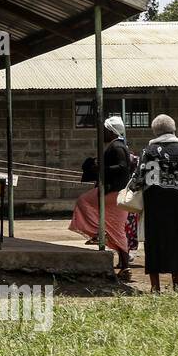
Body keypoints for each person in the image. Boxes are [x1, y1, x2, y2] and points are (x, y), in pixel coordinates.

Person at [134, 115, 178, 292]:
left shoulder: (149, 150)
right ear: (174, 129)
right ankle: (177, 283)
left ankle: (155, 286)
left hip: (155, 203)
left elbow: (140, 178)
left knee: (155, 241)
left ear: (155, 131)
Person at [69, 116, 134, 278]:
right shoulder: (119, 145)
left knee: (83, 201)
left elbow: (122, 167)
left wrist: (101, 167)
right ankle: (125, 266)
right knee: (117, 230)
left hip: (113, 193)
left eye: (105, 130)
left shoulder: (117, 146)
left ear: (111, 132)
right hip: (118, 193)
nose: (102, 133)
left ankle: (97, 232)